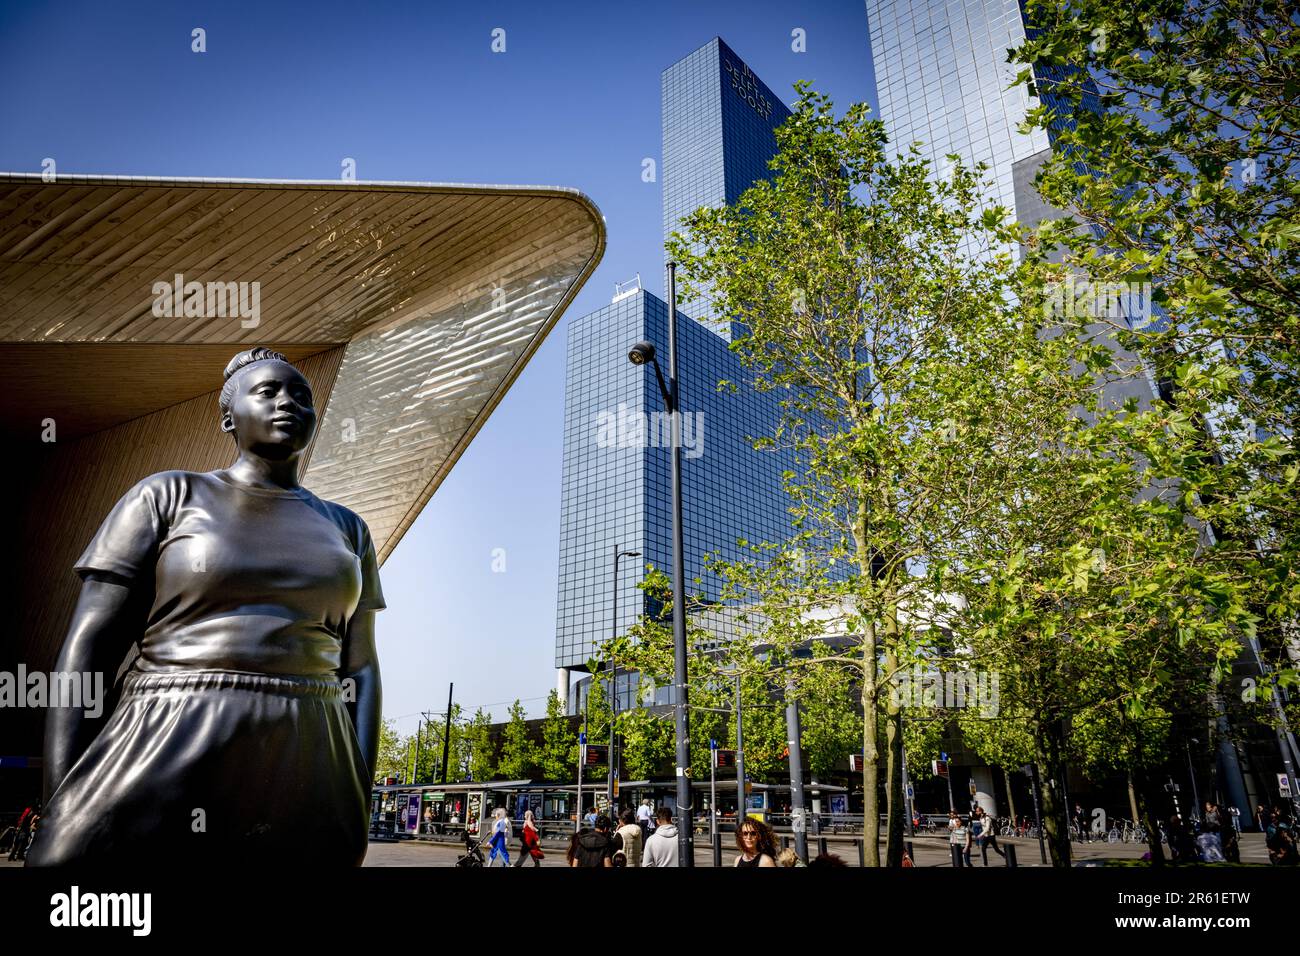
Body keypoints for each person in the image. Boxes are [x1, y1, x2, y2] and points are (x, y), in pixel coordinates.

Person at [26, 348, 385, 867]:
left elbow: (362, 668)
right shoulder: (166, 496)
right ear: (227, 416)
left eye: (302, 396)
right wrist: (61, 797)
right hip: (170, 724)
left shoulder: (348, 528)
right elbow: (89, 650)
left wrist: (356, 785)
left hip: (310, 747)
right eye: (267, 391)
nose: (289, 403)